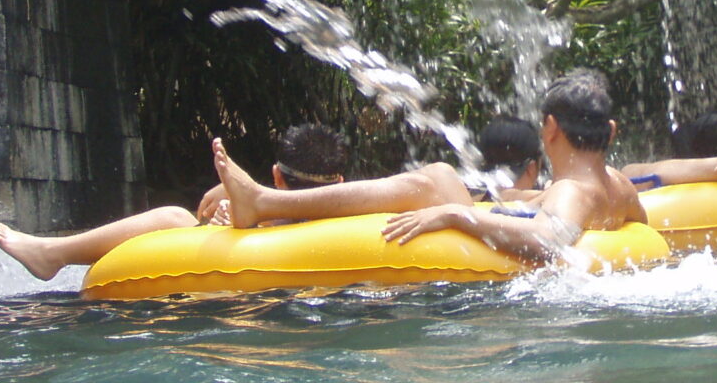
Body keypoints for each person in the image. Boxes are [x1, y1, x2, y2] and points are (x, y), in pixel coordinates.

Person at [218, 68, 646, 264]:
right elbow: (552, 206)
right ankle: (267, 204)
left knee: (437, 181)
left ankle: (265, 202)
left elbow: (553, 240)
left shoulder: (571, 192)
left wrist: (455, 213)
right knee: (442, 178)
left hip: (490, 299)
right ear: (610, 131)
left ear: (549, 129)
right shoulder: (617, 186)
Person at [0, 123, 352, 281]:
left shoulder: (285, 223)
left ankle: (55, 254)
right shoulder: (356, 211)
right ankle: (52, 254)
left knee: (176, 217)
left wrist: (233, 221)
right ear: (340, 181)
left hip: (243, 299)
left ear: (275, 175)